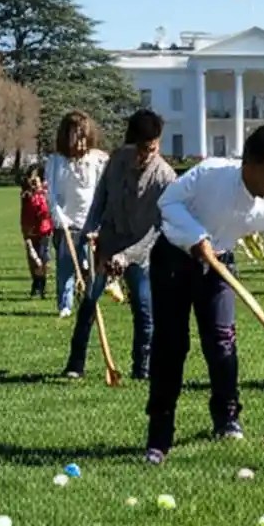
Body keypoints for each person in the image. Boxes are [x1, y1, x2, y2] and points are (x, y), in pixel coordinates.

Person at [144, 124, 264, 464]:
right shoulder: (211, 173)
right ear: (250, 163)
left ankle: (227, 417)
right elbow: (167, 202)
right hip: (173, 257)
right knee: (172, 345)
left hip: (219, 264)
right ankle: (159, 435)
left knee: (222, 341)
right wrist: (196, 236)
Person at [65, 109, 175, 380]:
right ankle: (75, 365)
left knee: (143, 308)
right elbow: (100, 200)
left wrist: (128, 256)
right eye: (140, 148)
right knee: (89, 303)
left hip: (140, 250)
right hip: (107, 243)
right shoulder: (116, 160)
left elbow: (158, 228)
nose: (144, 155)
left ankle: (142, 368)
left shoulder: (165, 177)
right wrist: (91, 231)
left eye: (151, 149)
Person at [45, 111, 109, 318]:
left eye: (83, 136)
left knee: (89, 266)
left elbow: (103, 190)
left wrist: (100, 220)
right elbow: (51, 192)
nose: (79, 142)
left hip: (90, 224)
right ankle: (65, 304)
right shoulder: (55, 161)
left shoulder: (99, 160)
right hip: (65, 223)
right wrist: (58, 215)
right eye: (75, 136)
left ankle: (89, 300)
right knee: (66, 266)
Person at [20, 166, 53, 298]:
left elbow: (45, 212)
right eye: (32, 182)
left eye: (36, 182)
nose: (34, 184)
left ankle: (41, 285)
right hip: (30, 232)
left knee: (43, 258)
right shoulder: (26, 196)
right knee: (33, 259)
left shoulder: (45, 195)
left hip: (44, 231)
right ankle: (36, 283)